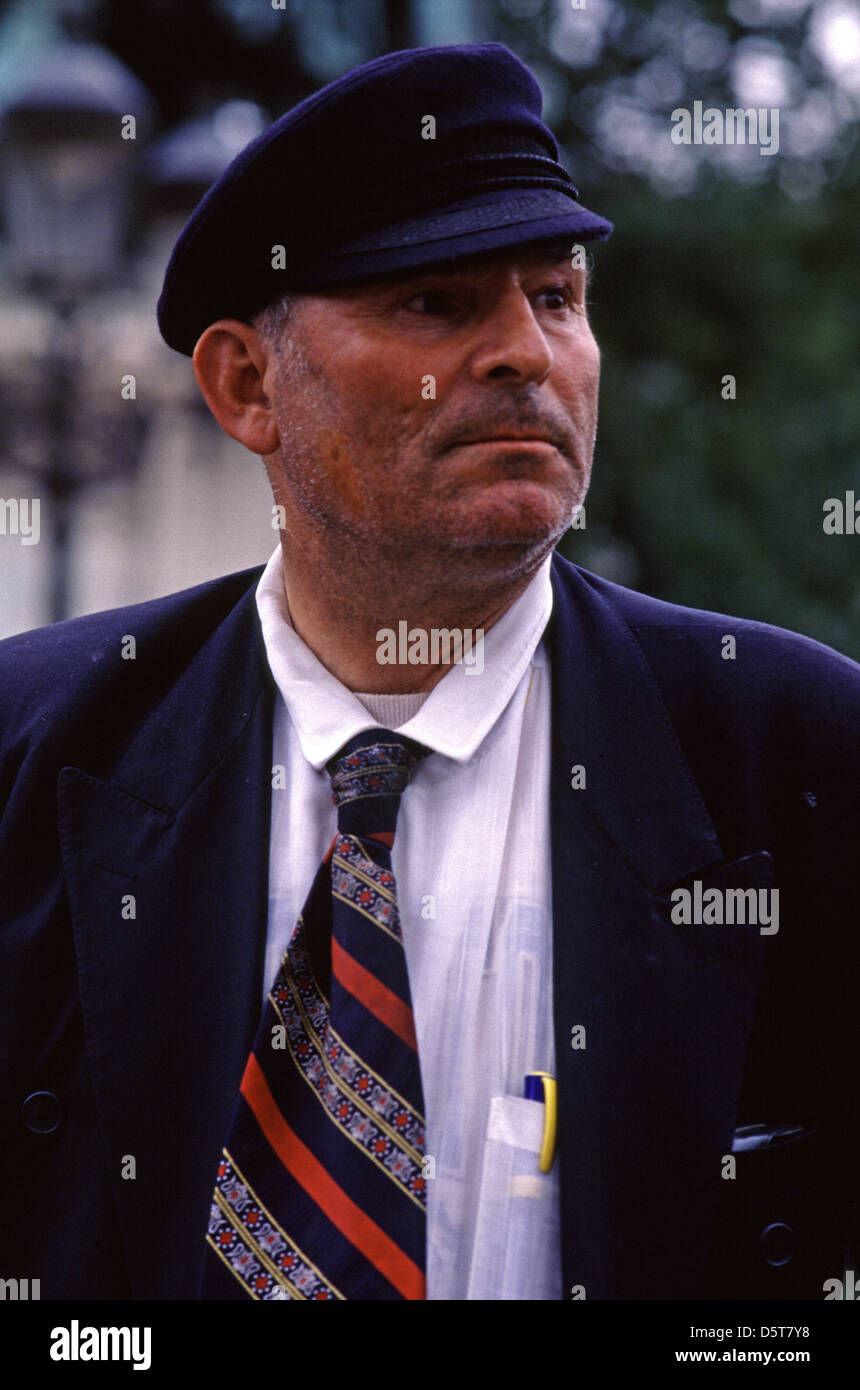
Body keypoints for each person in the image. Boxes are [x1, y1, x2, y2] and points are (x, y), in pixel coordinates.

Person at [0, 42, 857, 1303]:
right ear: (246, 384)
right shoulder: (37, 748)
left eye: (556, 297)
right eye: (436, 305)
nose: (526, 352)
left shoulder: (797, 756)